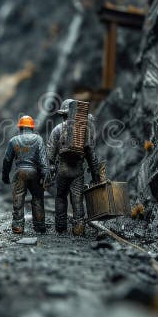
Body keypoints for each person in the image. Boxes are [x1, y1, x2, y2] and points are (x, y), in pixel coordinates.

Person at [46, 99, 102, 236]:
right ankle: (79, 228)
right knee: (77, 199)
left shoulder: (57, 130)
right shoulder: (84, 131)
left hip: (63, 170)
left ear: (63, 114)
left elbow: (50, 154)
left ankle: (60, 227)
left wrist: (50, 170)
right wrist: (96, 174)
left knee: (60, 197)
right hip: (77, 171)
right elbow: (91, 155)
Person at [2, 115, 48, 234]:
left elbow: (7, 160)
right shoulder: (38, 139)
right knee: (38, 197)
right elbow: (43, 161)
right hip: (34, 172)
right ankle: (39, 226)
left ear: (20, 127)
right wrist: (45, 176)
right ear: (32, 128)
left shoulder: (13, 140)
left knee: (18, 197)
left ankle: (18, 226)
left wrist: (5, 175)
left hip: (20, 172)